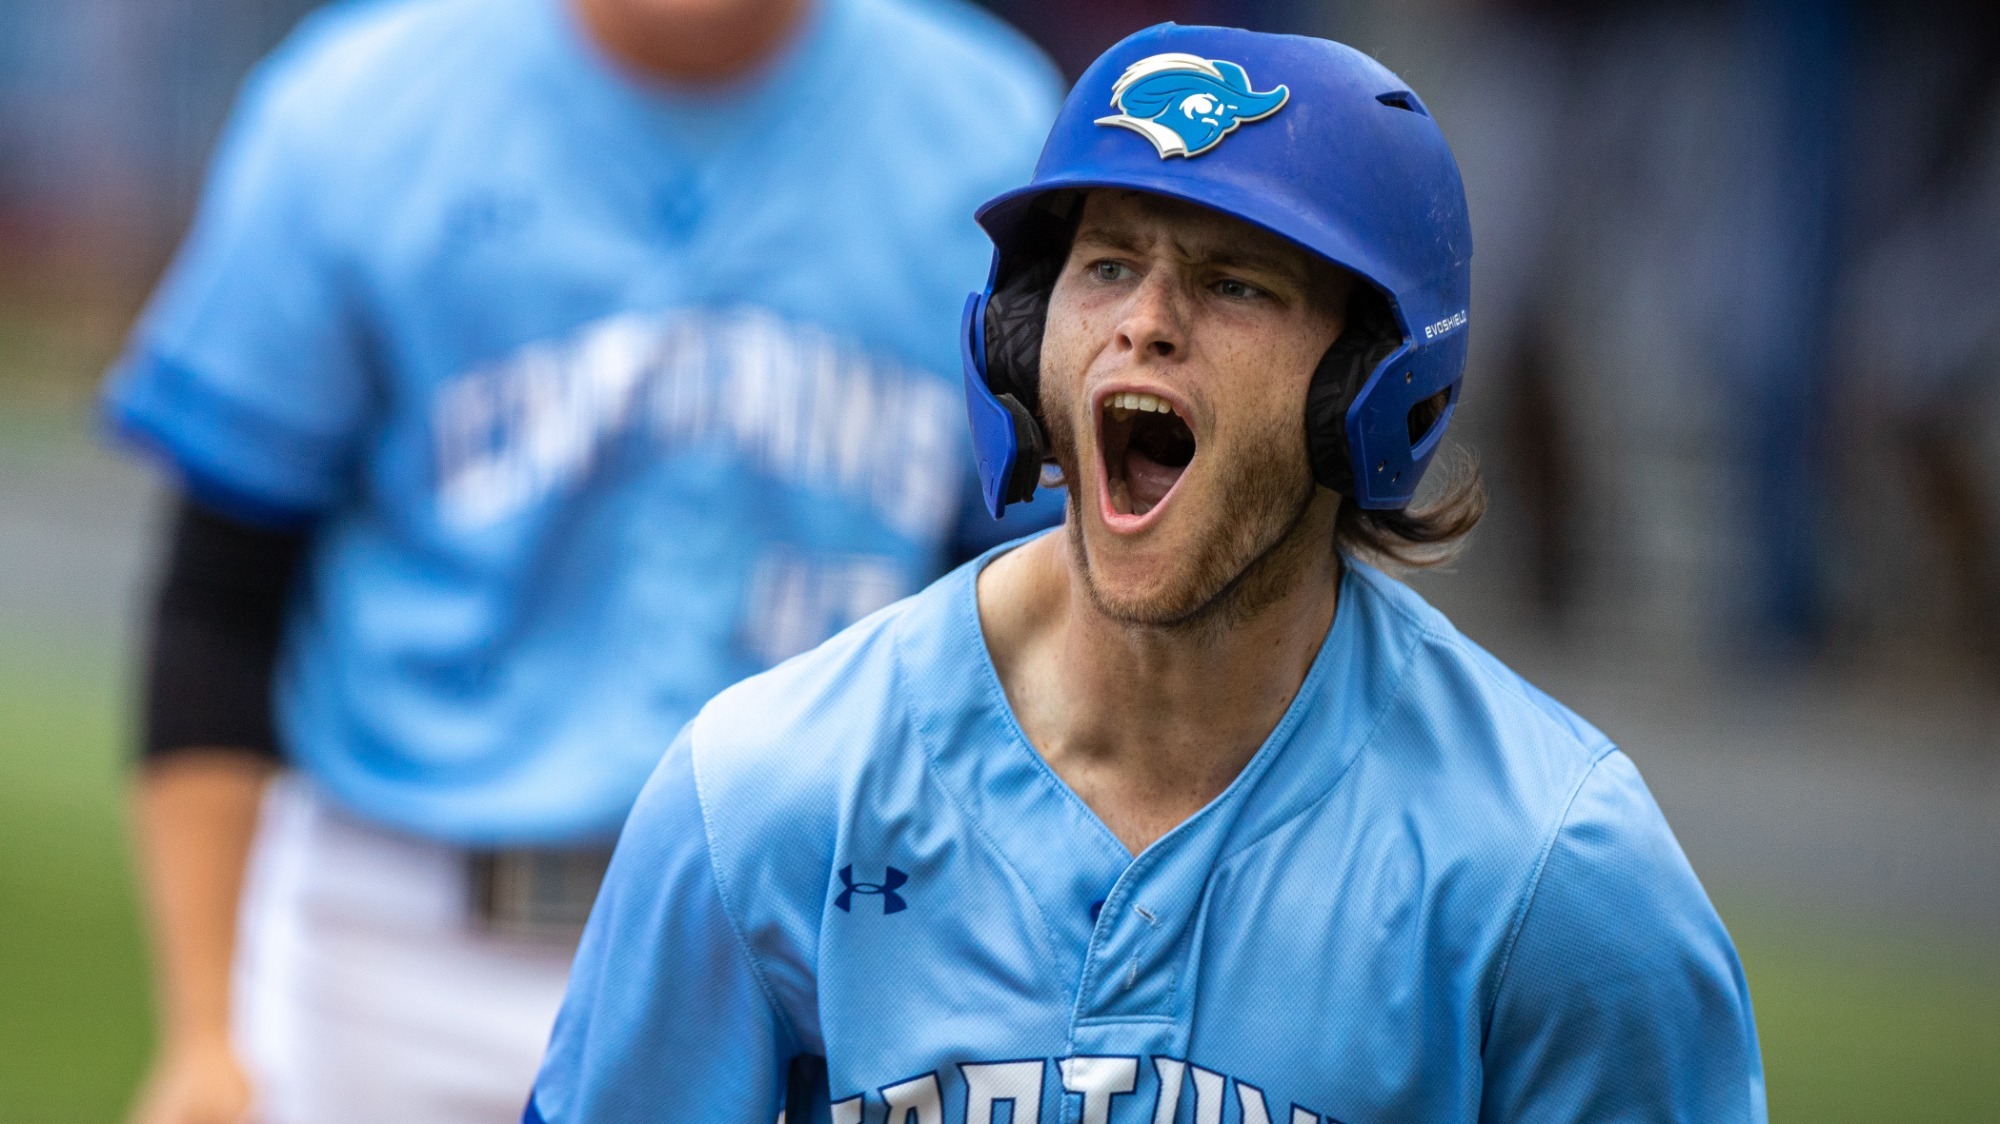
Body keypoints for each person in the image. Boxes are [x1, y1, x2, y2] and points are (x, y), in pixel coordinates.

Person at [527, 22, 1768, 1124]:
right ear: (1019, 338)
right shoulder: (768, 789)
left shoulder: (1548, 869)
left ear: (1370, 394)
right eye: (1108, 264)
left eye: (1235, 282)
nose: (1145, 322)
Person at [101, 0, 1064, 1121]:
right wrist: (206, 1032)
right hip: (396, 945)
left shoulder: (994, 131)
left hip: (825, 924)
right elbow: (223, 590)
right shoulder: (353, 111)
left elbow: (1037, 612)